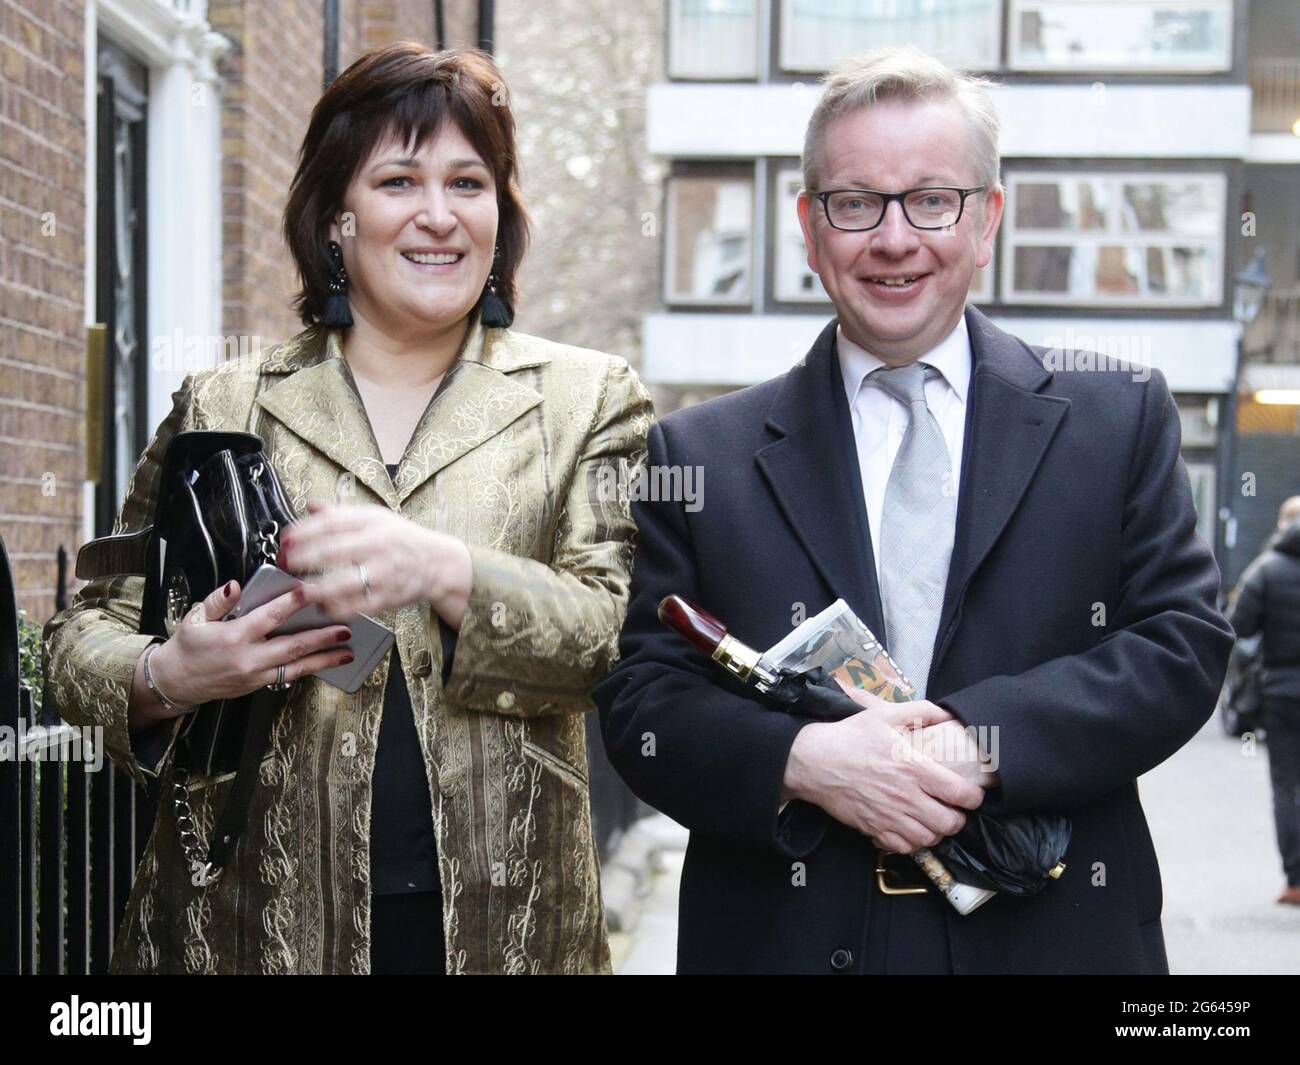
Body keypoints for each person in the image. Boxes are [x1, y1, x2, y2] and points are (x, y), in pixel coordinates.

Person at [595, 46, 1234, 974]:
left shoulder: (1119, 415)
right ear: (810, 229)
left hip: (1052, 938)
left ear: (988, 220)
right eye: (856, 203)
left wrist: (972, 743)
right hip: (789, 940)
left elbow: (1181, 645)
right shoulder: (699, 454)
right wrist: (804, 762)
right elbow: (642, 700)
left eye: (932, 200)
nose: (895, 238)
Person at [43, 43, 653, 975]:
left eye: (469, 182)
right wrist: (170, 672)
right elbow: (80, 638)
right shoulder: (225, 404)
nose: (439, 216)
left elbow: (609, 638)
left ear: (501, 213)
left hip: (507, 925)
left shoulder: (587, 401)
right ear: (338, 219)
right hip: (246, 923)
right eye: (399, 181)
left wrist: (447, 572)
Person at [1230, 496, 1300, 906]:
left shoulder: (1267, 570)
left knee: (1286, 785)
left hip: (1281, 692)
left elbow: (1237, 626)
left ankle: (1295, 879)